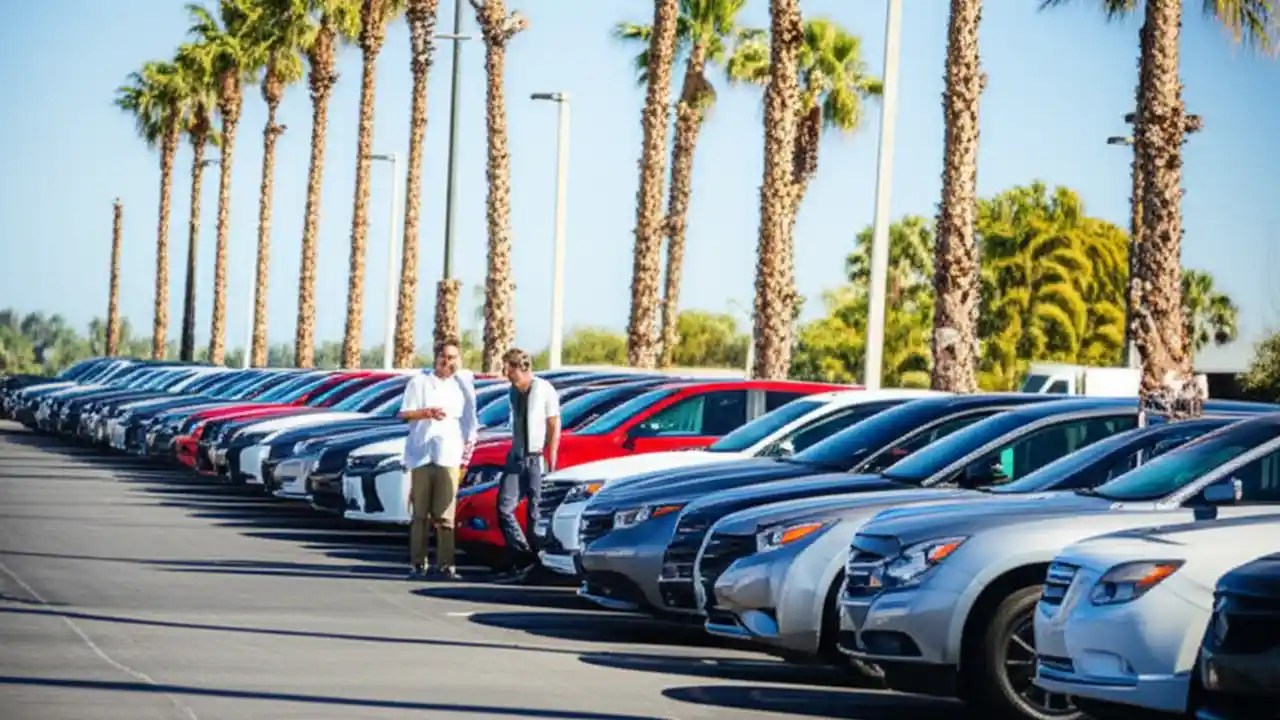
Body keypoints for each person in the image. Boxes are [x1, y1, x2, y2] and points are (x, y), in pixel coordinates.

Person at [398, 337, 478, 581]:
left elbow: (470, 422)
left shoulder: (462, 385)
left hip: (449, 455)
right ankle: (417, 563)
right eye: (444, 357)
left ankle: (446, 565)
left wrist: (466, 455)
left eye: (453, 357)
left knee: (445, 515)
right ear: (436, 358)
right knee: (420, 514)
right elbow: (404, 414)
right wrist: (426, 413)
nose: (448, 362)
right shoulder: (420, 382)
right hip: (422, 454)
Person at [494, 348, 560, 583]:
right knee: (504, 507)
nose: (505, 372)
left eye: (508, 367)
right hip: (516, 455)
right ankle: (521, 555)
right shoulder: (513, 392)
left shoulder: (542, 389)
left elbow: (553, 424)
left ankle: (537, 563)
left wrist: (551, 457)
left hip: (535, 457)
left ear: (520, 368)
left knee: (535, 512)